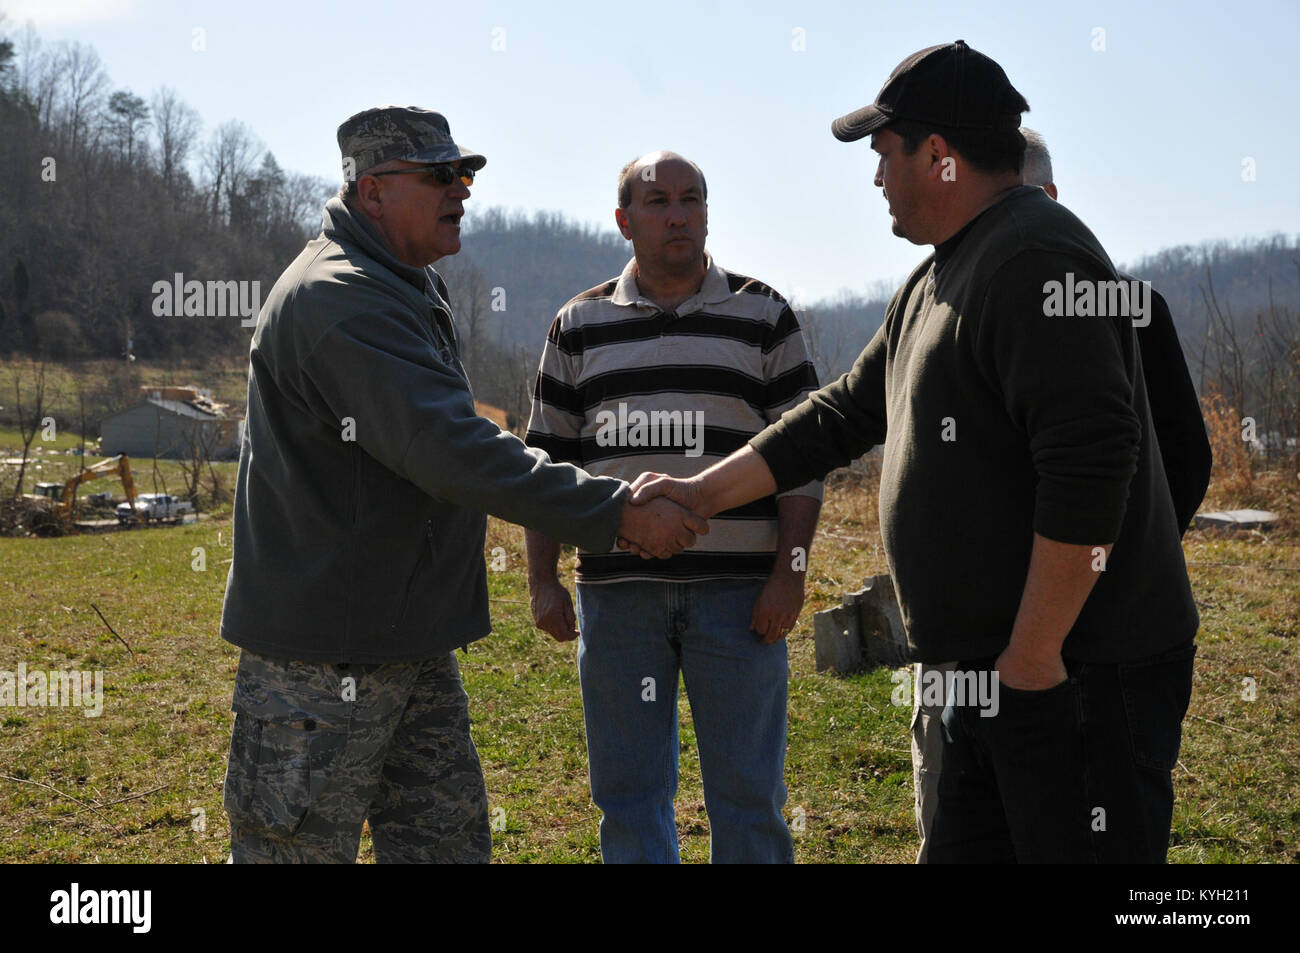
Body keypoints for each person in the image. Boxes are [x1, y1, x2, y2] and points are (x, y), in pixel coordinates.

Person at [630, 42, 1200, 863]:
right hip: (991, 673)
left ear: (938, 157)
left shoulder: (1036, 258)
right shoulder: (942, 274)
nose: (875, 177)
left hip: (1074, 678)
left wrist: (1033, 656)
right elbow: (840, 414)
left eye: (882, 153)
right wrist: (700, 493)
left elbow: (1092, 465)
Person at [218, 106, 706, 864]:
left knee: (445, 846)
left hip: (406, 642)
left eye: (467, 172)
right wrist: (614, 511)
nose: (464, 189)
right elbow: (449, 448)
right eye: (441, 175)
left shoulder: (402, 284)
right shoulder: (338, 297)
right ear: (373, 192)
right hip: (320, 661)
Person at [905, 125, 1212, 863]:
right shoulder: (945, 293)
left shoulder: (1124, 302)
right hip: (977, 644)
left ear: (1049, 201)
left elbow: (1178, 458)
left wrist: (1110, 558)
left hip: (1086, 643)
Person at [523, 151, 823, 863]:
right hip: (618, 598)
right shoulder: (578, 325)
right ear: (624, 220)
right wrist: (541, 578)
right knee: (627, 798)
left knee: (750, 797)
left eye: (692, 198)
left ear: (710, 212)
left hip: (740, 597)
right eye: (657, 201)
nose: (678, 213)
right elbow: (542, 465)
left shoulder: (764, 316)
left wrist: (791, 574)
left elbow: (805, 462)